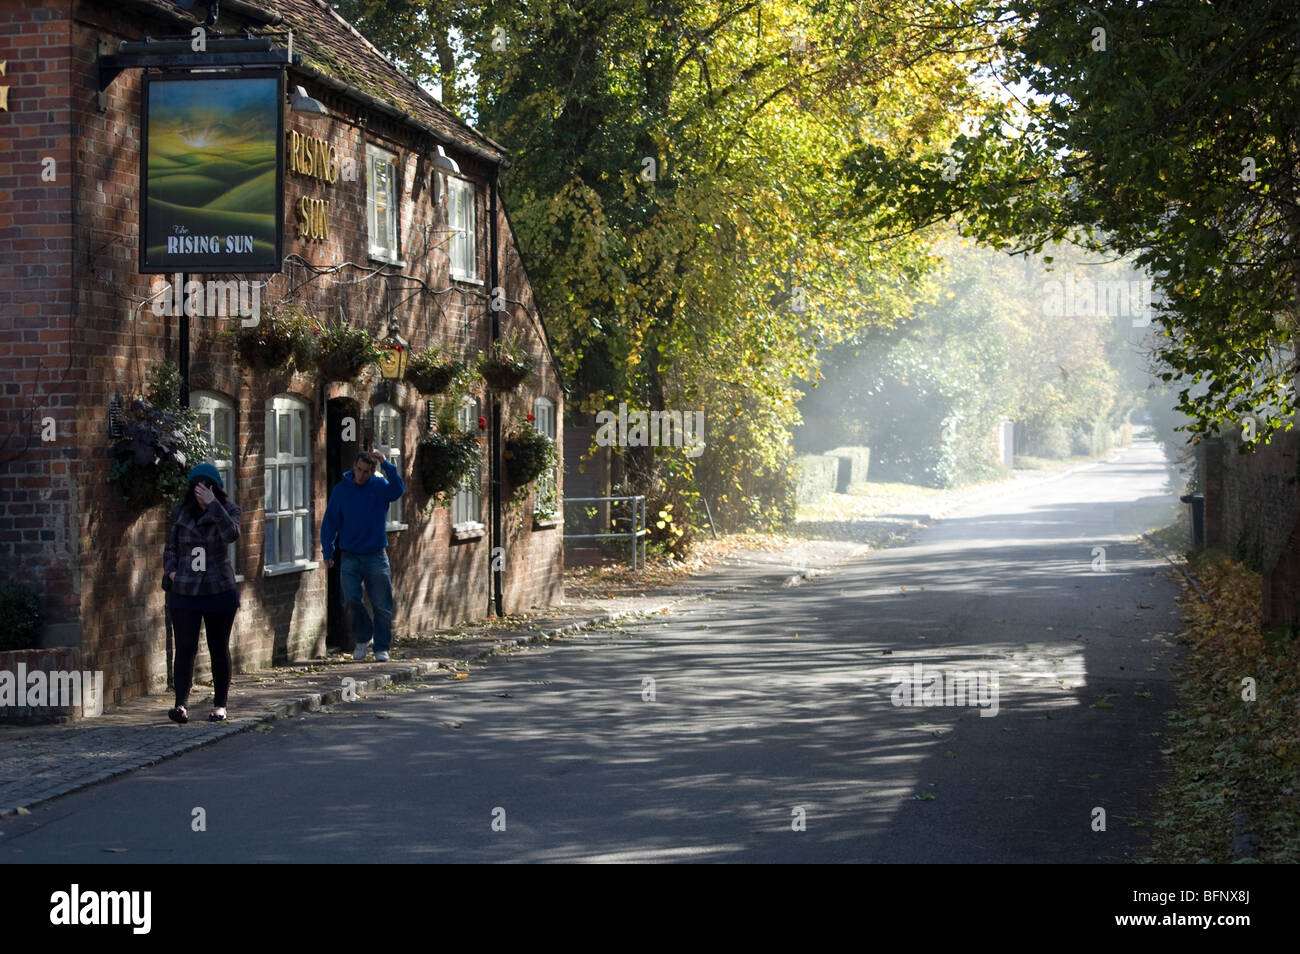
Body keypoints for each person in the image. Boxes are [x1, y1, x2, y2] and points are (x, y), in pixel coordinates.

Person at [163, 462, 241, 724]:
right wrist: (172, 572)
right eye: (197, 486)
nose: (201, 491)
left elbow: (232, 535)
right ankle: (180, 705)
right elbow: (170, 547)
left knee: (218, 648)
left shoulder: (228, 510)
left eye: (207, 486)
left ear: (215, 488)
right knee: (185, 648)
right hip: (185, 590)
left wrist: (213, 506)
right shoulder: (180, 512)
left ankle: (220, 705)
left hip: (218, 589)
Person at [320, 449, 405, 662]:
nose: (360, 475)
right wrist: (327, 551)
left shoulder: (379, 487)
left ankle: (382, 646)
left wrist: (387, 464)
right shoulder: (341, 490)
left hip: (376, 555)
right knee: (350, 599)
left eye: (366, 472)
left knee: (382, 604)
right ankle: (363, 636)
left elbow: (398, 490)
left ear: (372, 471)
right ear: (354, 467)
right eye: (358, 470)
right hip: (349, 554)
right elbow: (330, 521)